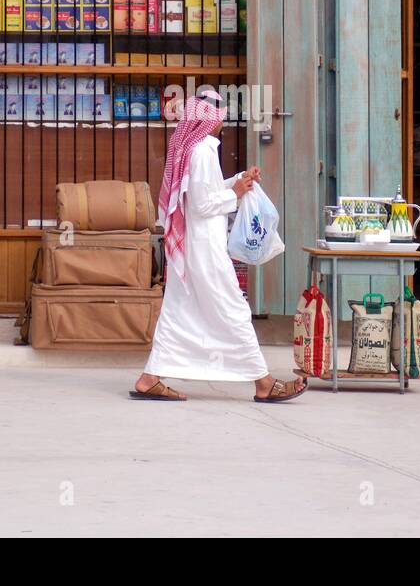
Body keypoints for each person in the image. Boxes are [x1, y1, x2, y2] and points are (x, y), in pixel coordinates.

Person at [131, 92, 307, 403]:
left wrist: (239, 181)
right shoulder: (202, 152)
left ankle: (149, 378)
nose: (223, 120)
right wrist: (235, 193)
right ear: (211, 119)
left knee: (178, 311)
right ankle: (264, 383)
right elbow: (201, 204)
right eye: (221, 115)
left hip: (192, 249)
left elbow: (203, 192)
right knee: (233, 309)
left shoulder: (195, 149)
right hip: (204, 250)